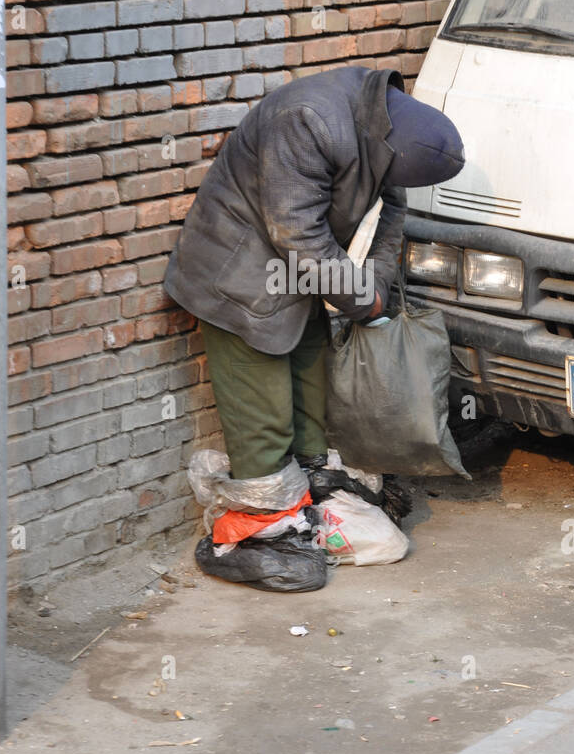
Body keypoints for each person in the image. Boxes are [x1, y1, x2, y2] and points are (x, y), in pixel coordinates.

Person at [164, 64, 465, 590]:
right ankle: (256, 526)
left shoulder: (389, 131)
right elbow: (296, 232)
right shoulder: (307, 120)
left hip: (299, 277)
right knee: (265, 411)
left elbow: (389, 216)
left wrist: (374, 287)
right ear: (389, 145)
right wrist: (359, 300)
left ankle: (304, 503)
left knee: (310, 388)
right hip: (239, 278)